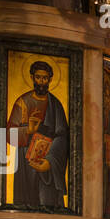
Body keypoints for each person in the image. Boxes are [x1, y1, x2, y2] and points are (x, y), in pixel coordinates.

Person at [7, 59, 70, 208]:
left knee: (47, 203)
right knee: (28, 201)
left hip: (48, 161)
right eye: (38, 77)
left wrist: (50, 161)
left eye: (45, 78)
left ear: (50, 79)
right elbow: (9, 134)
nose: (41, 82)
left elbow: (63, 136)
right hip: (25, 161)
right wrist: (28, 130)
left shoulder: (56, 105)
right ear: (32, 77)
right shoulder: (22, 102)